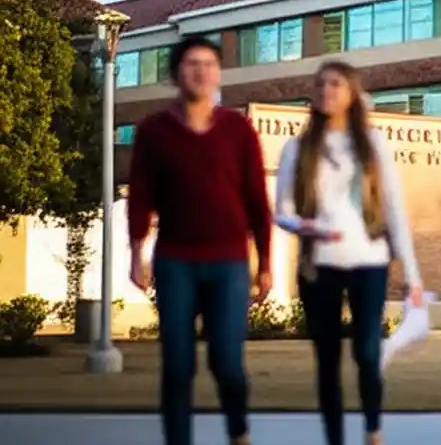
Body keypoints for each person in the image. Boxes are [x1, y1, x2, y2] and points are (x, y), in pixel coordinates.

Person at [127, 36, 273, 445]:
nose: (201, 71)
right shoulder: (154, 131)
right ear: (177, 73)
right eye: (192, 63)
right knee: (177, 365)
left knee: (226, 361)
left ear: (218, 73)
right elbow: (140, 196)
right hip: (175, 261)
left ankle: (238, 432)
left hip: (229, 263)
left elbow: (258, 201)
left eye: (209, 63)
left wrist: (265, 263)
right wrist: (137, 251)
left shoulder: (237, 129)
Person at [274, 61, 424, 445]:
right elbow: (283, 213)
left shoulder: (372, 144)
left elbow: (394, 209)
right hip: (319, 265)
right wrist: (309, 228)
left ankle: (373, 429)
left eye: (336, 84)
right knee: (326, 360)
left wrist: (413, 274)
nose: (327, 90)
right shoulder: (297, 147)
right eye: (321, 84)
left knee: (367, 352)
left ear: (351, 93)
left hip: (369, 261)